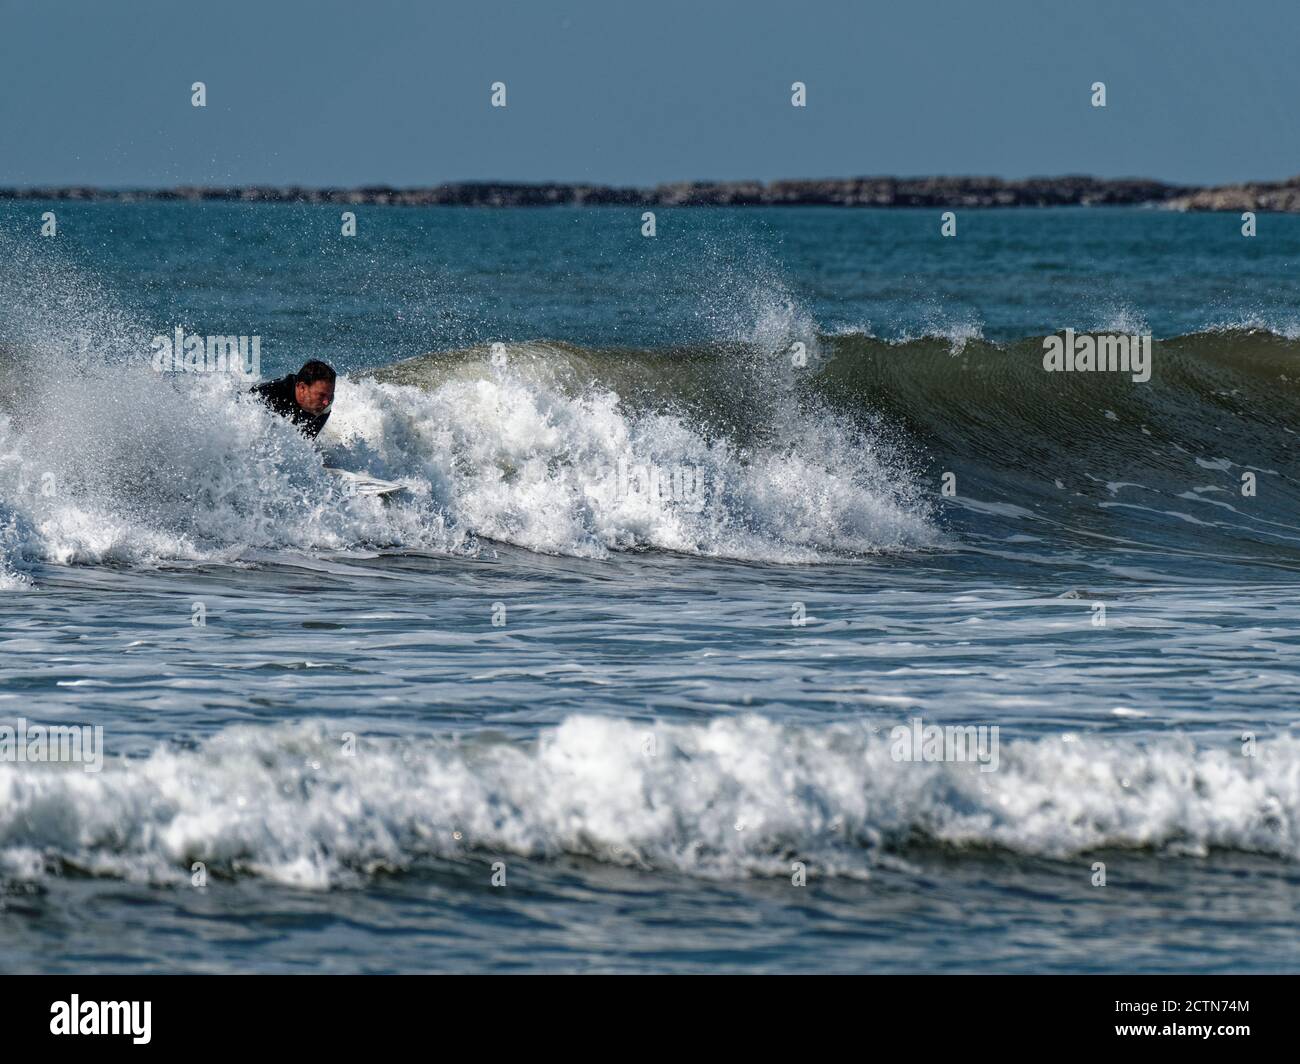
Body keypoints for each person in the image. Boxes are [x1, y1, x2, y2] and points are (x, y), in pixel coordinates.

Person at [250, 360, 336, 439]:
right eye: (321, 395)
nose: (326, 402)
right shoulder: (271, 396)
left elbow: (306, 444)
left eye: (330, 395)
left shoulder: (327, 402)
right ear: (302, 388)